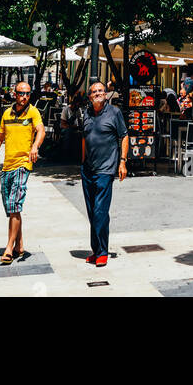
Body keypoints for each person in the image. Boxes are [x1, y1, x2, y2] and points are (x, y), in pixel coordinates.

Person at [0, 81, 44, 264]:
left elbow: (40, 131)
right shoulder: (7, 114)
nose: (24, 96)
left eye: (27, 93)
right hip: (7, 167)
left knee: (15, 205)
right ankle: (19, 245)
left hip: (23, 165)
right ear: (14, 94)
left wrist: (35, 146)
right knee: (12, 209)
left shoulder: (33, 112)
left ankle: (9, 248)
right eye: (20, 93)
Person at [81, 78, 128, 267]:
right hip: (88, 169)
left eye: (101, 90)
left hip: (106, 169)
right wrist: (82, 162)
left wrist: (122, 162)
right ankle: (96, 249)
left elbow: (124, 136)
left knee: (100, 211)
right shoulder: (86, 114)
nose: (99, 93)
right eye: (95, 92)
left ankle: (102, 252)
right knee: (92, 212)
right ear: (90, 96)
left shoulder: (114, 113)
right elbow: (84, 138)